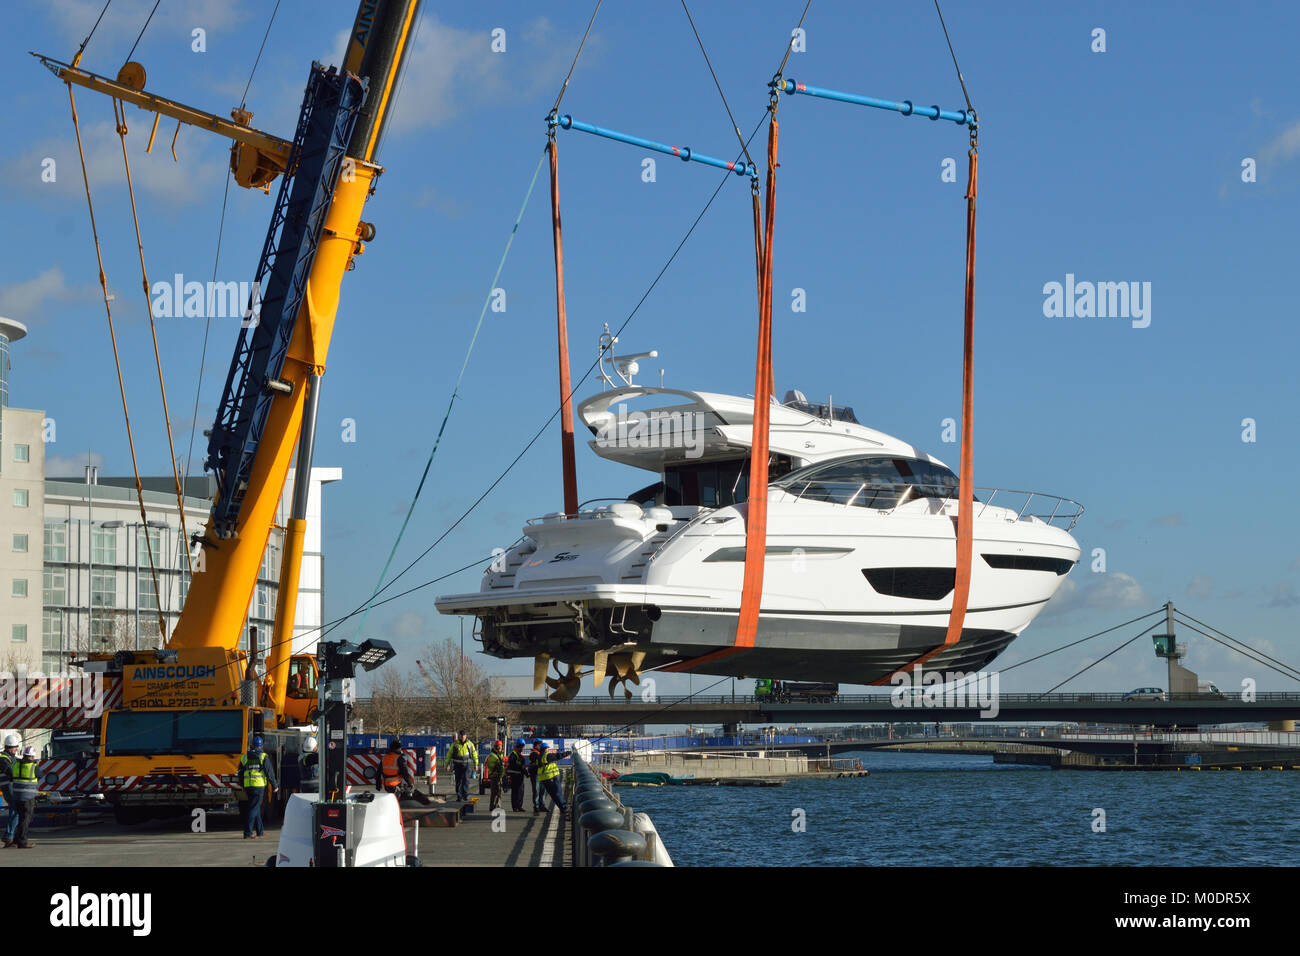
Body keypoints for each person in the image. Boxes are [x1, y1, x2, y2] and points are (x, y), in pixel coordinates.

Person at [238, 735, 278, 839]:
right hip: (258, 786)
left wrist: (242, 785)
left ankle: (260, 832)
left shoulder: (244, 757)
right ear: (261, 746)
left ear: (252, 745)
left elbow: (240, 773)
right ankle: (247, 833)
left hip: (248, 786)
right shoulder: (263, 756)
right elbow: (269, 772)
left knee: (255, 808)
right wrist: (274, 785)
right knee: (253, 808)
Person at [378, 739, 431, 805]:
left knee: (398, 797)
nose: (401, 750)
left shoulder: (384, 758)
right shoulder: (399, 758)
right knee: (412, 794)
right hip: (395, 784)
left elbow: (379, 771)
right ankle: (427, 804)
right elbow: (404, 773)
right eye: (400, 748)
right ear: (396, 749)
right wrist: (410, 783)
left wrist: (378, 784)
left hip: (387, 785)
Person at [9, 746, 40, 850]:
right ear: (31, 756)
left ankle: (16, 839)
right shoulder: (33, 766)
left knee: (21, 818)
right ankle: (22, 842)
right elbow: (41, 774)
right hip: (28, 797)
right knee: (25, 819)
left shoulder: (16, 765)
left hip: (17, 796)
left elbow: (11, 776)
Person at [445, 731, 477, 802]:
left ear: (466, 736)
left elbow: (474, 754)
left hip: (467, 766)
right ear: (459, 736)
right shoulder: (455, 744)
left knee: (466, 780)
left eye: (464, 735)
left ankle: (465, 795)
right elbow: (449, 755)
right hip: (457, 765)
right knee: (458, 781)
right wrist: (447, 764)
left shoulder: (470, 744)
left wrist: (476, 764)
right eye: (461, 735)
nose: (462, 737)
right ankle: (459, 796)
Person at [1, 734, 20, 847]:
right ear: (10, 747)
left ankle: (10, 836)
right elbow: (11, 772)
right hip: (8, 787)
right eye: (15, 747)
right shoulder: (4, 759)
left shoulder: (10, 758)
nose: (16, 749)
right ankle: (8, 835)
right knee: (16, 810)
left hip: (11, 787)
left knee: (15, 810)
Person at [536, 744, 566, 814]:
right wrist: (567, 753)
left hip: (544, 779)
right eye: (547, 748)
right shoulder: (547, 755)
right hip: (551, 777)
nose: (548, 750)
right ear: (545, 749)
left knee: (553, 795)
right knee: (558, 793)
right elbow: (557, 756)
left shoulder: (539, 757)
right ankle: (564, 808)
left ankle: (562, 809)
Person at [506, 740, 528, 812]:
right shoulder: (513, 754)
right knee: (515, 792)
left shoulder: (519, 754)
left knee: (520, 792)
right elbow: (514, 765)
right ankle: (515, 807)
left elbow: (523, 766)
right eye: (522, 747)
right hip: (515, 776)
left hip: (520, 776)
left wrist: (526, 773)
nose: (522, 749)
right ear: (519, 746)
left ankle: (519, 806)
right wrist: (521, 767)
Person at [484, 740, 506, 812]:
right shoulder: (492, 755)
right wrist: (496, 767)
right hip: (494, 776)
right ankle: (493, 806)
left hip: (499, 776)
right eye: (499, 746)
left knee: (498, 792)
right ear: (496, 747)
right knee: (495, 792)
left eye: (501, 746)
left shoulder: (500, 754)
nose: (500, 747)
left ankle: (497, 806)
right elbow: (489, 765)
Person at [528, 739, 544, 813]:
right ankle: (537, 806)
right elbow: (537, 764)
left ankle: (541, 805)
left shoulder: (538, 753)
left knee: (542, 791)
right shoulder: (534, 754)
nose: (541, 746)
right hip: (535, 775)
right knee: (536, 791)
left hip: (540, 774)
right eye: (540, 745)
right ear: (536, 745)